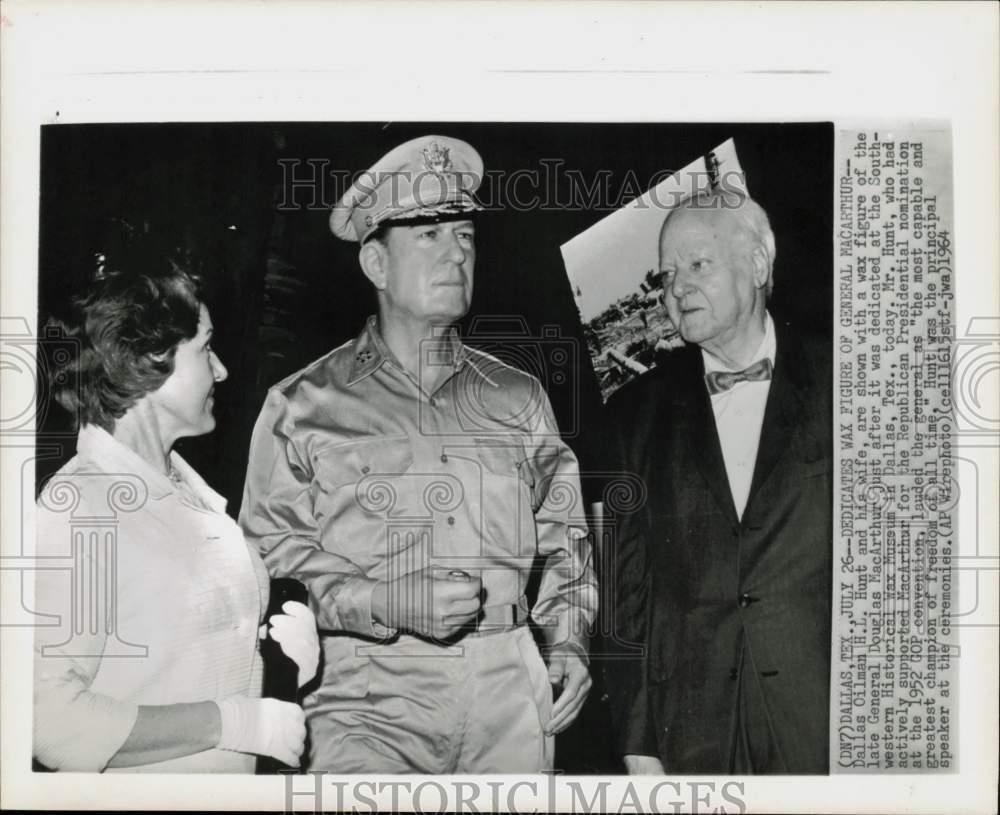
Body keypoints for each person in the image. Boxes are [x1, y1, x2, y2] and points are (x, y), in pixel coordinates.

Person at [240, 135, 598, 773]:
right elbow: (270, 559)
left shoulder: (518, 397)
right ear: (375, 265)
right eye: (429, 236)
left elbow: (566, 535)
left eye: (464, 234)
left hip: (510, 695)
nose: (457, 253)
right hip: (367, 700)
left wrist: (569, 639)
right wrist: (381, 601)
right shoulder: (302, 406)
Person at [33, 261, 319, 772]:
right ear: (147, 358)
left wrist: (279, 666)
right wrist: (231, 723)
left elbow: (179, 658)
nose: (222, 370)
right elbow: (45, 720)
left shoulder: (189, 494)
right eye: (206, 348)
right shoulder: (81, 509)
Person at [604, 190, 832, 774]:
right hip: (693, 733)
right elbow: (627, 593)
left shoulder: (848, 379)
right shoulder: (636, 412)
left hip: (825, 721)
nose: (676, 289)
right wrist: (638, 744)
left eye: (698, 265)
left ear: (758, 264)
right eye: (667, 274)